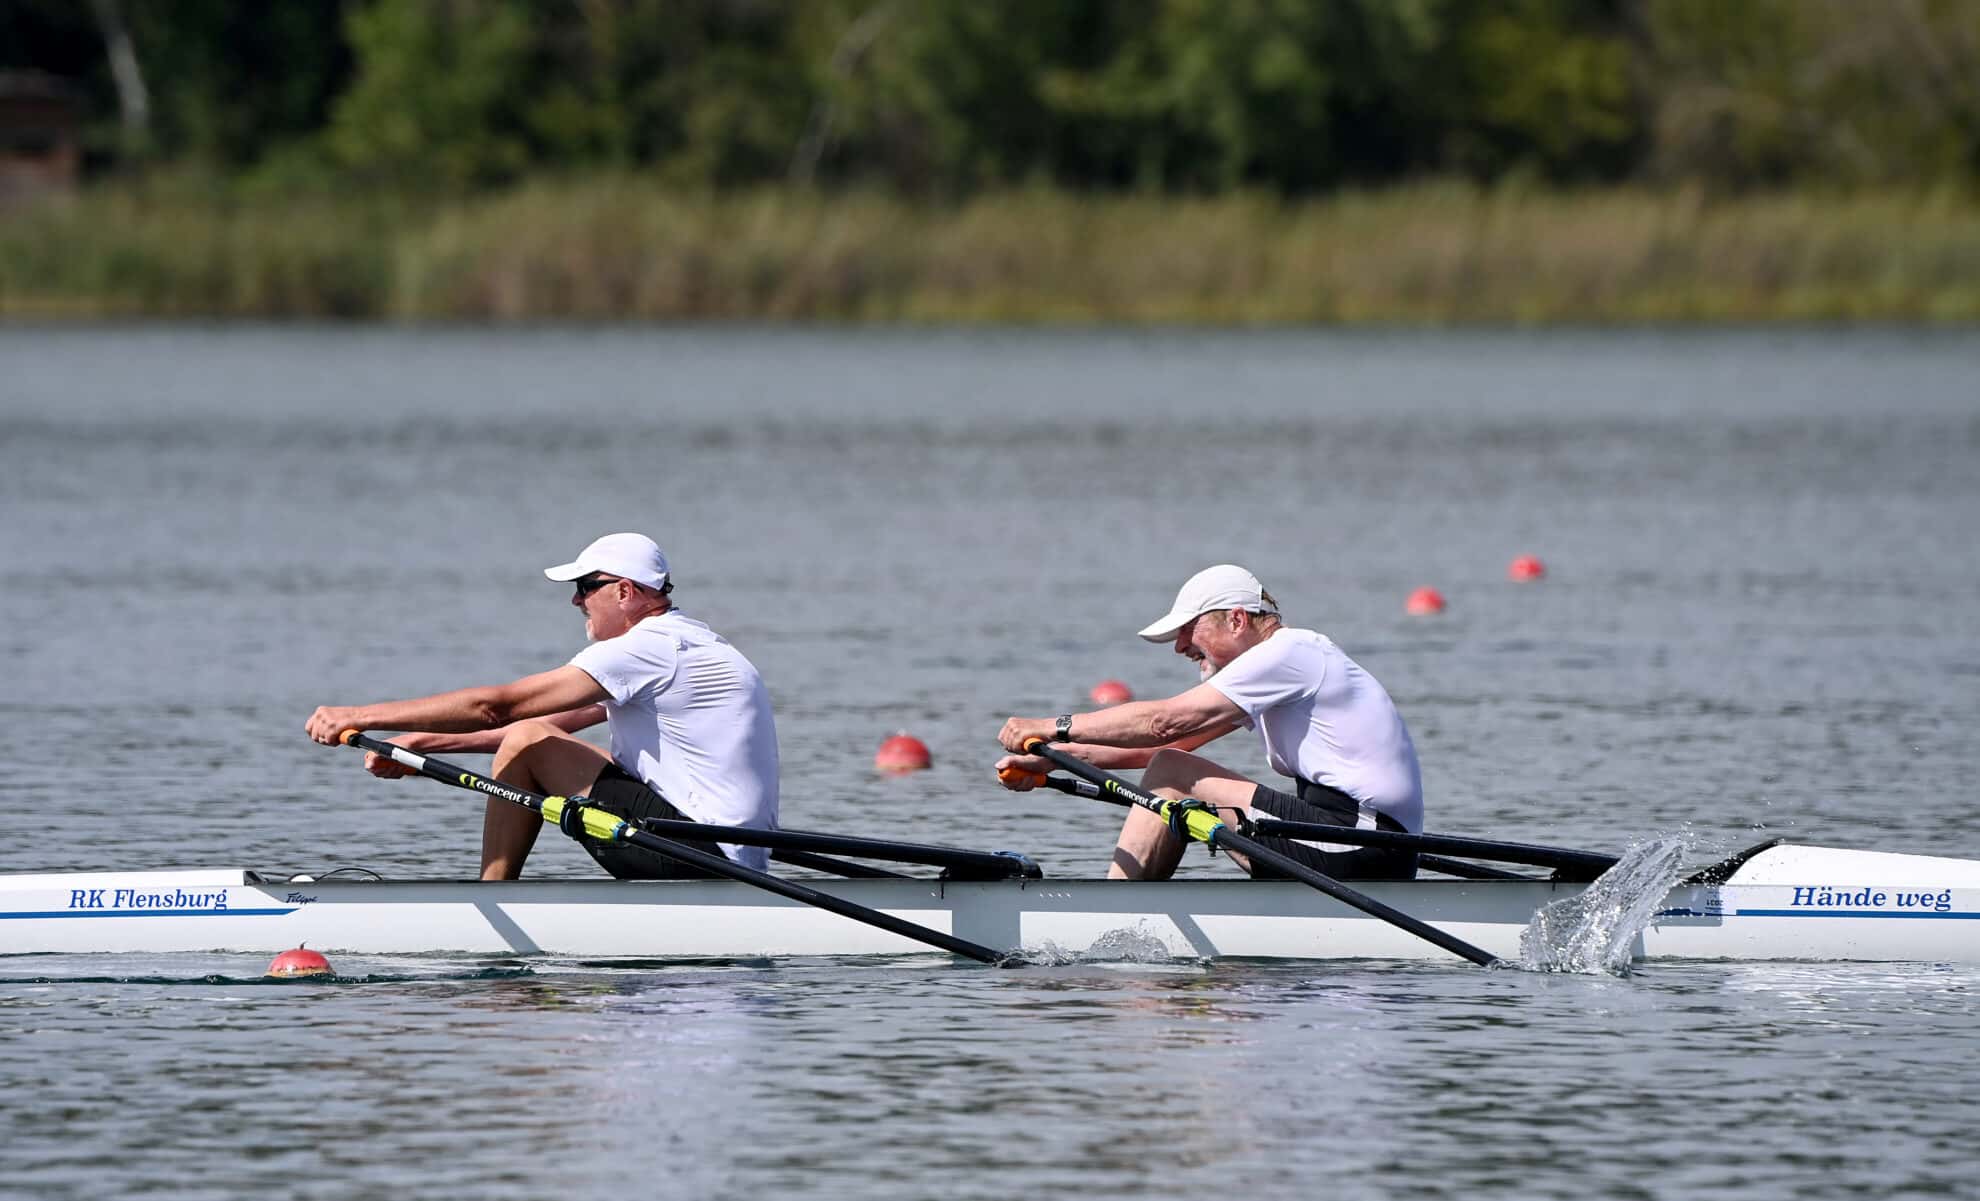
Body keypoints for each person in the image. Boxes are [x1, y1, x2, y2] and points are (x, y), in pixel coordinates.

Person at [305, 532, 779, 880]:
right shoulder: (688, 643)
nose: (576, 599)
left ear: (624, 591)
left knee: (526, 737)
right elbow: (550, 723)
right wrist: (420, 748)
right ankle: (496, 896)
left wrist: (357, 716)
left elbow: (501, 710)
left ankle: (492, 898)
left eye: (586, 586)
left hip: (699, 857)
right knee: (530, 736)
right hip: (727, 855)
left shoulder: (646, 649)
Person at [996, 564, 1421, 881]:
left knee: (1172, 773)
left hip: (1360, 841)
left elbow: (1165, 723)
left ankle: (1115, 919)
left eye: (1188, 629)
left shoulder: (1290, 653)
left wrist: (1054, 725)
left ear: (1237, 620)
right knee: (1168, 764)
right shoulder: (1283, 666)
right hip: (1358, 842)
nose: (1180, 646)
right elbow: (1154, 746)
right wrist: (1056, 760)